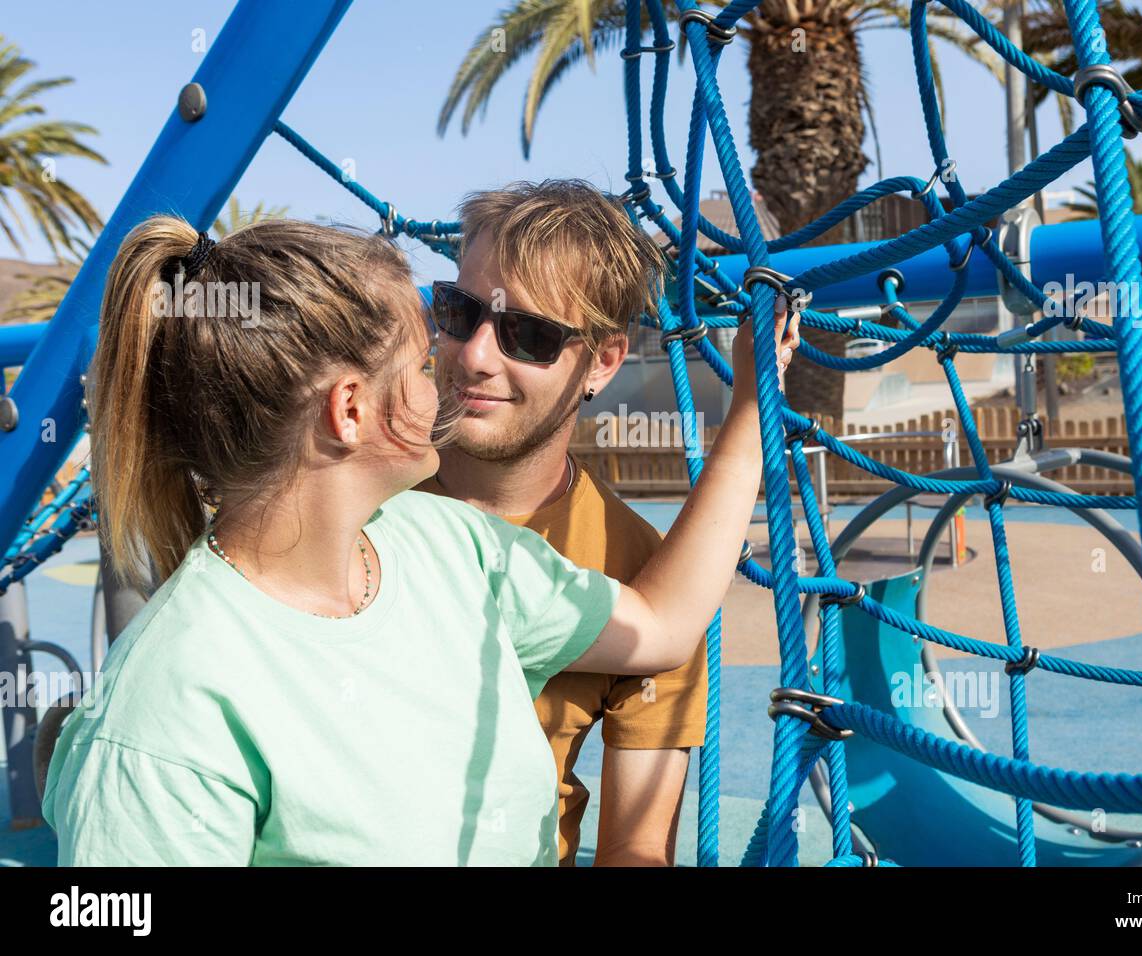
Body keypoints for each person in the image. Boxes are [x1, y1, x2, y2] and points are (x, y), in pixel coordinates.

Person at [41, 213, 798, 866]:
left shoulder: (452, 548)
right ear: (349, 411)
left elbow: (662, 625)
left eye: (524, 333)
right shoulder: (167, 714)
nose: (460, 365)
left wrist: (747, 412)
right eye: (431, 343)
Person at [419, 180, 707, 865]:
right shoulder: (352, 490)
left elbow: (635, 848)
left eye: (528, 334)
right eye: (460, 312)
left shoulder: (647, 577)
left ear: (604, 361)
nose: (476, 355)